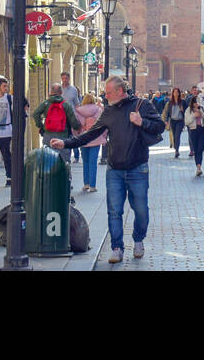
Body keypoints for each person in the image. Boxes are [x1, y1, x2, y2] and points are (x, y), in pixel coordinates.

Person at [50, 76, 165, 263]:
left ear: (120, 91)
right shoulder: (108, 112)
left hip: (138, 169)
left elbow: (160, 126)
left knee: (141, 210)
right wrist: (65, 143)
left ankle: (138, 239)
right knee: (114, 211)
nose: (105, 95)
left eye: (109, 92)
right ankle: (117, 247)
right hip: (115, 170)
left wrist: (141, 122)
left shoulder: (142, 105)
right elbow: (90, 134)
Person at [75, 93, 106, 193]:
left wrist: (76, 137)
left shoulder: (79, 111)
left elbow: (75, 126)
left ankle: (86, 184)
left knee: (86, 162)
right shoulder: (99, 110)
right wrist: (103, 137)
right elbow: (103, 126)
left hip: (83, 139)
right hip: (95, 138)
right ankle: (93, 186)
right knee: (93, 162)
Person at [32, 81, 80, 146]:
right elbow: (73, 121)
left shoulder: (46, 103)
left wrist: (41, 126)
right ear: (61, 92)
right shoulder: (66, 104)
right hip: (63, 135)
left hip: (48, 134)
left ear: (51, 92)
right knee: (63, 155)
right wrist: (77, 127)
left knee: (48, 155)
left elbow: (35, 114)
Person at [185, 95, 204, 175]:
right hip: (193, 130)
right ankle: (198, 167)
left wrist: (202, 114)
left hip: (202, 130)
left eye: (199, 102)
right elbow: (186, 122)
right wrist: (194, 116)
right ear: (192, 103)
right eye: (195, 102)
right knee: (196, 150)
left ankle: (199, 167)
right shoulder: (188, 110)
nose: (197, 104)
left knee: (200, 149)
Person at [60, 72, 82, 160]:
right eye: (63, 78)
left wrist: (79, 117)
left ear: (69, 79)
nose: (64, 80)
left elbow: (77, 104)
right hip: (60, 117)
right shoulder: (58, 89)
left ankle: (74, 155)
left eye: (66, 78)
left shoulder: (73, 90)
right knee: (63, 136)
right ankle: (64, 156)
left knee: (72, 136)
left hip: (71, 117)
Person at [162, 87, 186, 157]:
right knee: (174, 136)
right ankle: (176, 148)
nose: (176, 94)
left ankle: (177, 150)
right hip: (172, 121)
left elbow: (187, 112)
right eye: (174, 92)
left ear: (179, 93)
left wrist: (182, 110)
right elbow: (166, 112)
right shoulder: (169, 102)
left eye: (177, 92)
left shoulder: (183, 102)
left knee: (177, 135)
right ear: (172, 93)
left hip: (180, 121)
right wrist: (165, 121)